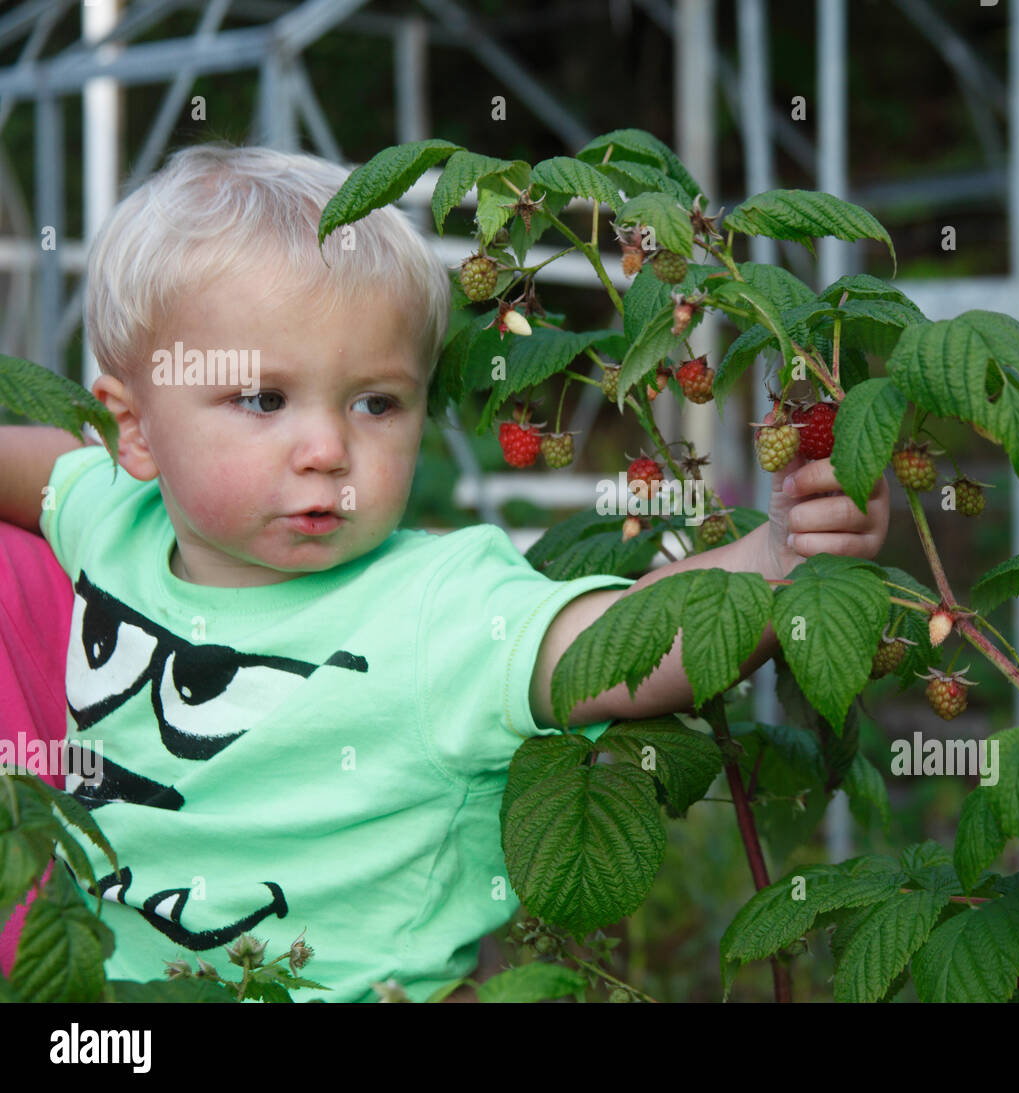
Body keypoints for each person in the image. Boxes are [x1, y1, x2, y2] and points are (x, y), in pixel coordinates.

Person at [0, 143, 889, 1002]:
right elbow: (44, 465)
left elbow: (622, 649)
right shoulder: (112, 517)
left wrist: (776, 558)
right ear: (137, 431)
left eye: (375, 402)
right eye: (264, 399)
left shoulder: (439, 606)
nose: (326, 449)